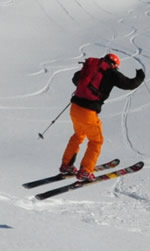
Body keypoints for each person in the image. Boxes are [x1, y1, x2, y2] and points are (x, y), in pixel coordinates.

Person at [61, 52, 145, 181]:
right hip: (88, 112)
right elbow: (129, 84)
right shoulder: (111, 73)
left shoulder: (91, 67)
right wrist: (140, 76)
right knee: (96, 141)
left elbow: (75, 79)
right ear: (114, 65)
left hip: (75, 108)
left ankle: (66, 165)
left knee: (78, 135)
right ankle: (85, 171)